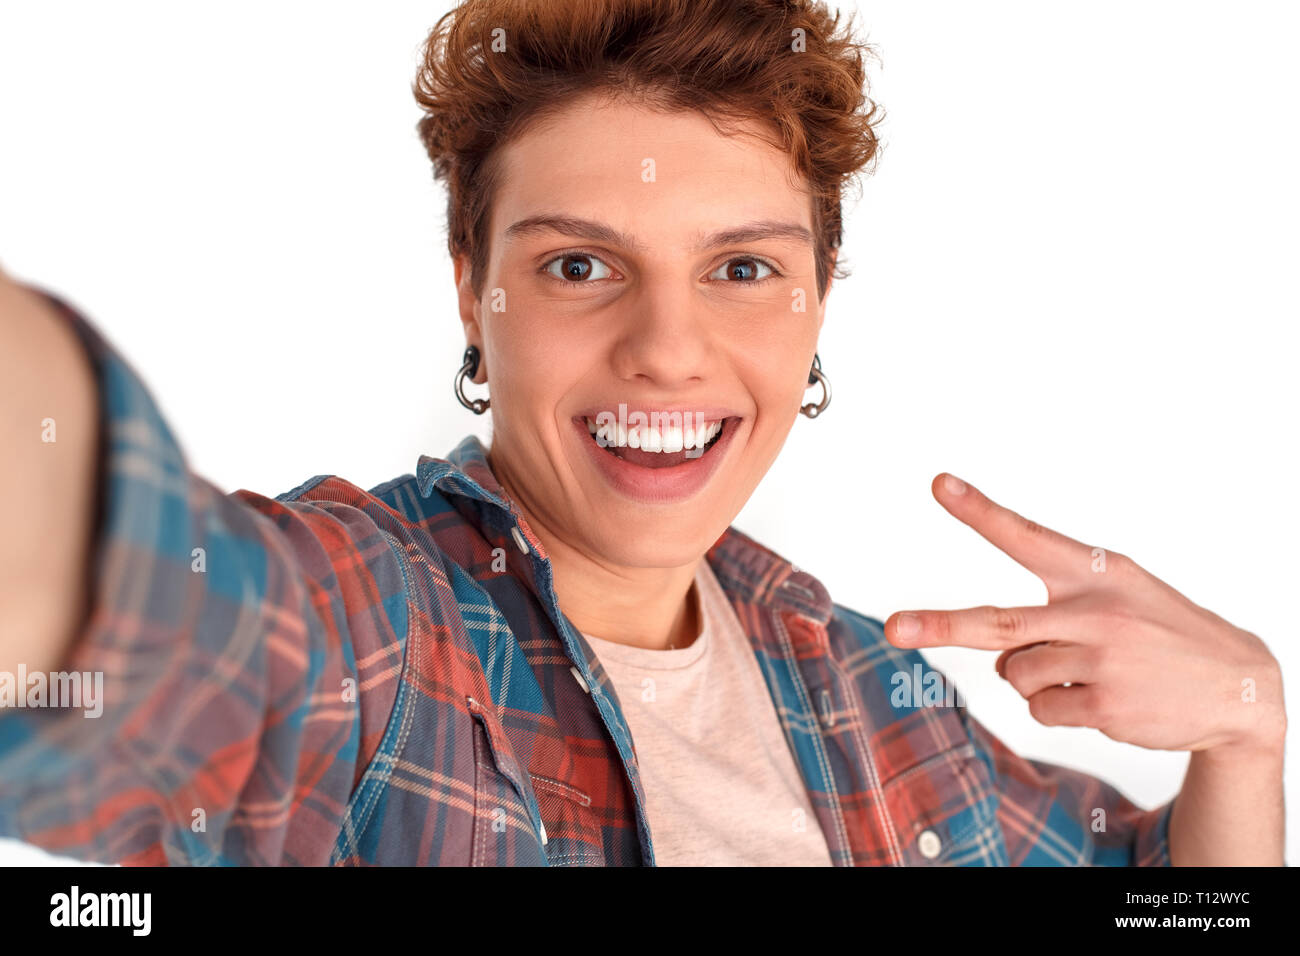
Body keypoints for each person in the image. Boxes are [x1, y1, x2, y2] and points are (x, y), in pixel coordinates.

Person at [0, 0, 1284, 866]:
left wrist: (1244, 724)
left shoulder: (860, 687)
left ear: (818, 300)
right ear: (471, 286)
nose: (667, 346)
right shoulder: (374, 626)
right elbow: (133, 615)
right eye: (576, 266)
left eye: (740, 270)